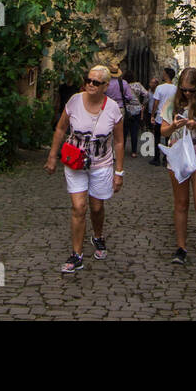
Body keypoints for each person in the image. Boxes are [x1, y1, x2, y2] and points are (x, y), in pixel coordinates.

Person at [45, 64, 124, 273]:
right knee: (79, 207)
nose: (90, 84)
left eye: (96, 82)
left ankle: (97, 236)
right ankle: (77, 254)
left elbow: (118, 142)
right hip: (75, 163)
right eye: (88, 80)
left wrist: (119, 172)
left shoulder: (113, 109)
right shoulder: (74, 101)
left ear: (105, 86)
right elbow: (61, 128)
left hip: (102, 165)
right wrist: (52, 156)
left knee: (96, 207)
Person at [159, 66, 196, 264]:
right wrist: (174, 125)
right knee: (181, 203)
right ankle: (181, 247)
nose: (187, 94)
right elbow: (163, 132)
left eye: (191, 90)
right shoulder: (171, 103)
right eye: (184, 89)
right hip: (179, 158)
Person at [148, 66, 177, 166]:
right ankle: (166, 158)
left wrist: (152, 115)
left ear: (166, 75)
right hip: (169, 117)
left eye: (163, 73)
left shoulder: (160, 88)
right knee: (168, 139)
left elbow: (156, 103)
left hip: (160, 116)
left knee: (157, 138)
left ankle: (156, 158)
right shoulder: (175, 89)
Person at [121, 71, 148, 159]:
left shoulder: (123, 84)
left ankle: (122, 149)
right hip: (136, 109)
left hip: (126, 108)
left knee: (124, 131)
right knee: (134, 131)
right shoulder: (138, 85)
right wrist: (143, 104)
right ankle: (133, 152)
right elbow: (146, 94)